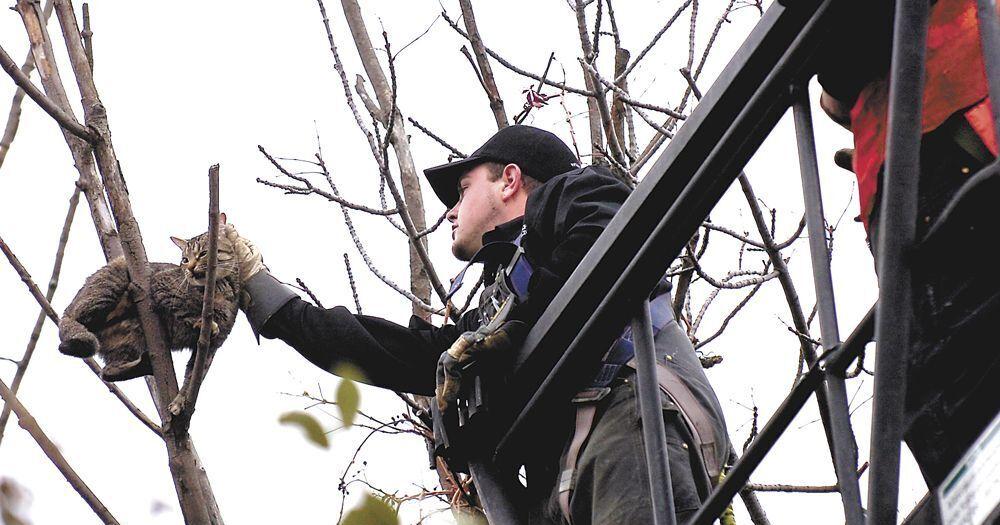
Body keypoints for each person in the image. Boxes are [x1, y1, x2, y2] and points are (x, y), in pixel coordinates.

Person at [227, 125, 730, 523]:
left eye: (463, 189)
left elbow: (610, 239)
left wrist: (518, 317)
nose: (450, 211)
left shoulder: (568, 195)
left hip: (630, 413)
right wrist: (269, 299)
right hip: (565, 479)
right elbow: (399, 354)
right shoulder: (498, 297)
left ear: (509, 180)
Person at [817, 0, 999, 487]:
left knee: (956, 395)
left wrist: (829, 84)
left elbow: (848, 49)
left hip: (954, 140)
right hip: (940, 152)